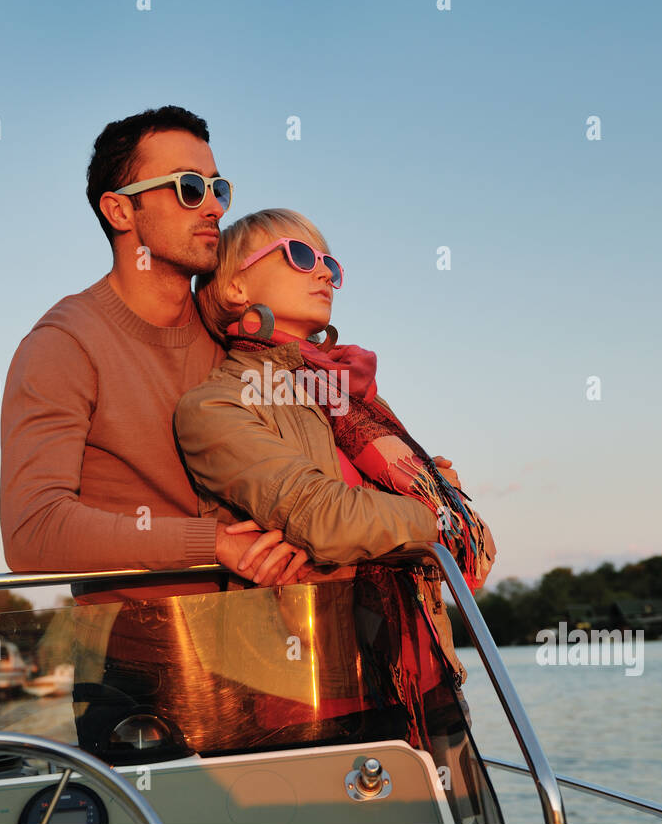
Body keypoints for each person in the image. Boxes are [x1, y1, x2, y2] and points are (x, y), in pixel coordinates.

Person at [174, 208, 497, 697]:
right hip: (311, 692)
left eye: (330, 263)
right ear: (237, 288)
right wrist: (438, 509)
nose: (325, 272)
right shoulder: (217, 403)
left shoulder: (357, 396)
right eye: (299, 256)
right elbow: (325, 518)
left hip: (430, 676)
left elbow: (477, 536)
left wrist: (431, 508)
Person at [0, 106, 313, 591]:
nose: (214, 208)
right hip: (137, 657)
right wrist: (210, 543)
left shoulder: (233, 333)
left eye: (217, 187)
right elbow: (32, 530)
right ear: (120, 210)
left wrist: (406, 476)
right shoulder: (64, 344)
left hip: (275, 645)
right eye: (189, 188)